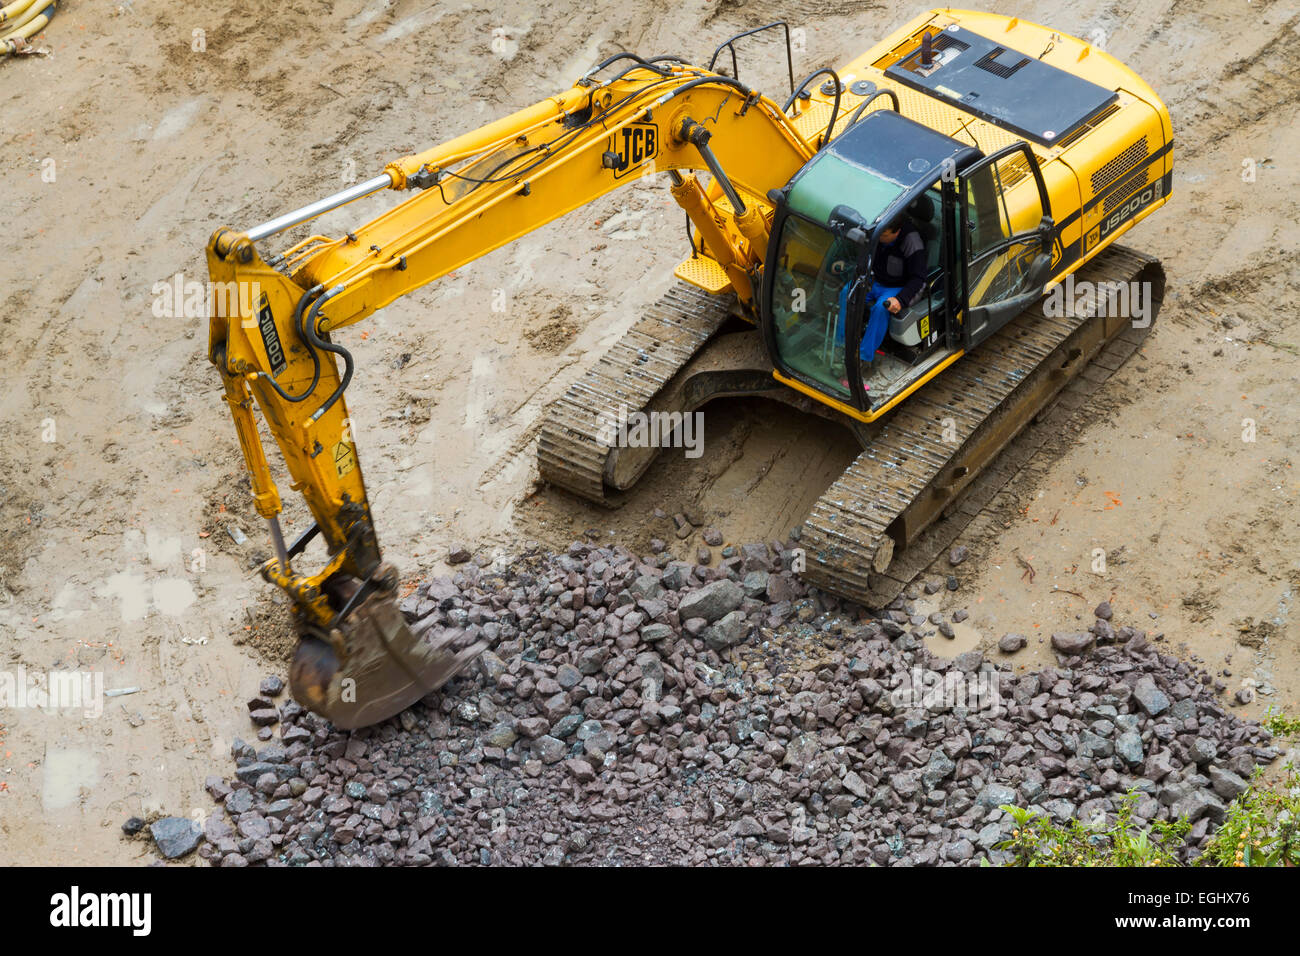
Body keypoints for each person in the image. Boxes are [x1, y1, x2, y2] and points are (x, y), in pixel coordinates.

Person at [861, 215, 928, 364]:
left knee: (881, 308)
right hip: (875, 280)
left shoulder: (911, 241)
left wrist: (900, 299)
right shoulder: (877, 232)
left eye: (884, 235)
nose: (879, 238)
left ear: (896, 232)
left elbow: (919, 278)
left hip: (896, 287)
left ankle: (863, 358)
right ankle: (840, 344)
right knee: (848, 293)